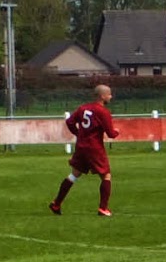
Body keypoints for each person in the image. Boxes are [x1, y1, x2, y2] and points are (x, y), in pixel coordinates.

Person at [49, 84, 119, 217]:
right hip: (95, 148)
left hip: (81, 147)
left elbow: (69, 122)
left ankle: (56, 203)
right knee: (106, 175)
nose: (111, 96)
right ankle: (103, 208)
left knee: (74, 174)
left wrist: (78, 134)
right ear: (102, 96)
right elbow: (110, 133)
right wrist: (117, 132)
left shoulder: (83, 108)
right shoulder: (103, 112)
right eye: (109, 94)